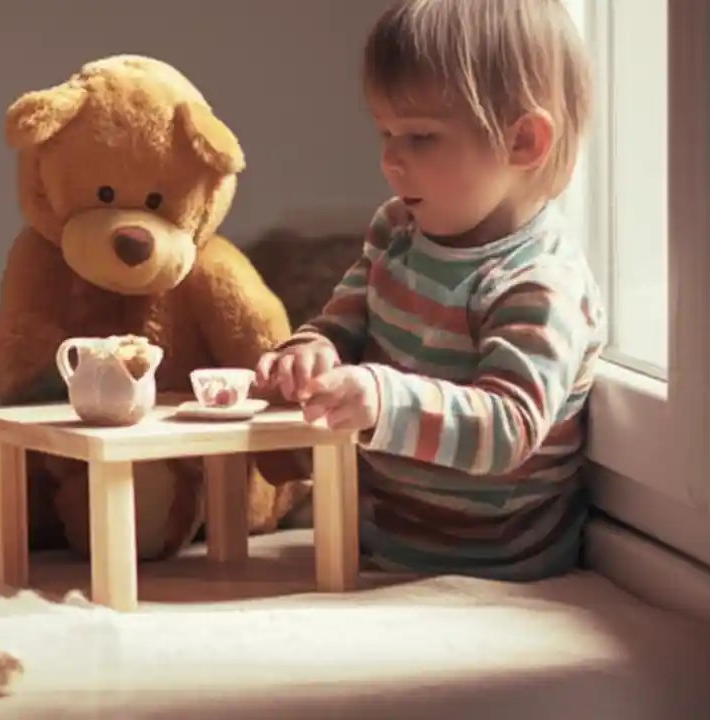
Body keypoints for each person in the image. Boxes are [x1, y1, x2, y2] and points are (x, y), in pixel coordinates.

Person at [256, 0, 606, 581]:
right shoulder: (396, 230)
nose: (389, 160)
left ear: (523, 142)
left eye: (420, 136)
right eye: (385, 132)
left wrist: (382, 398)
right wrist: (310, 352)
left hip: (491, 573)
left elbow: (508, 428)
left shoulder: (539, 282)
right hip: (372, 542)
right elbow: (341, 324)